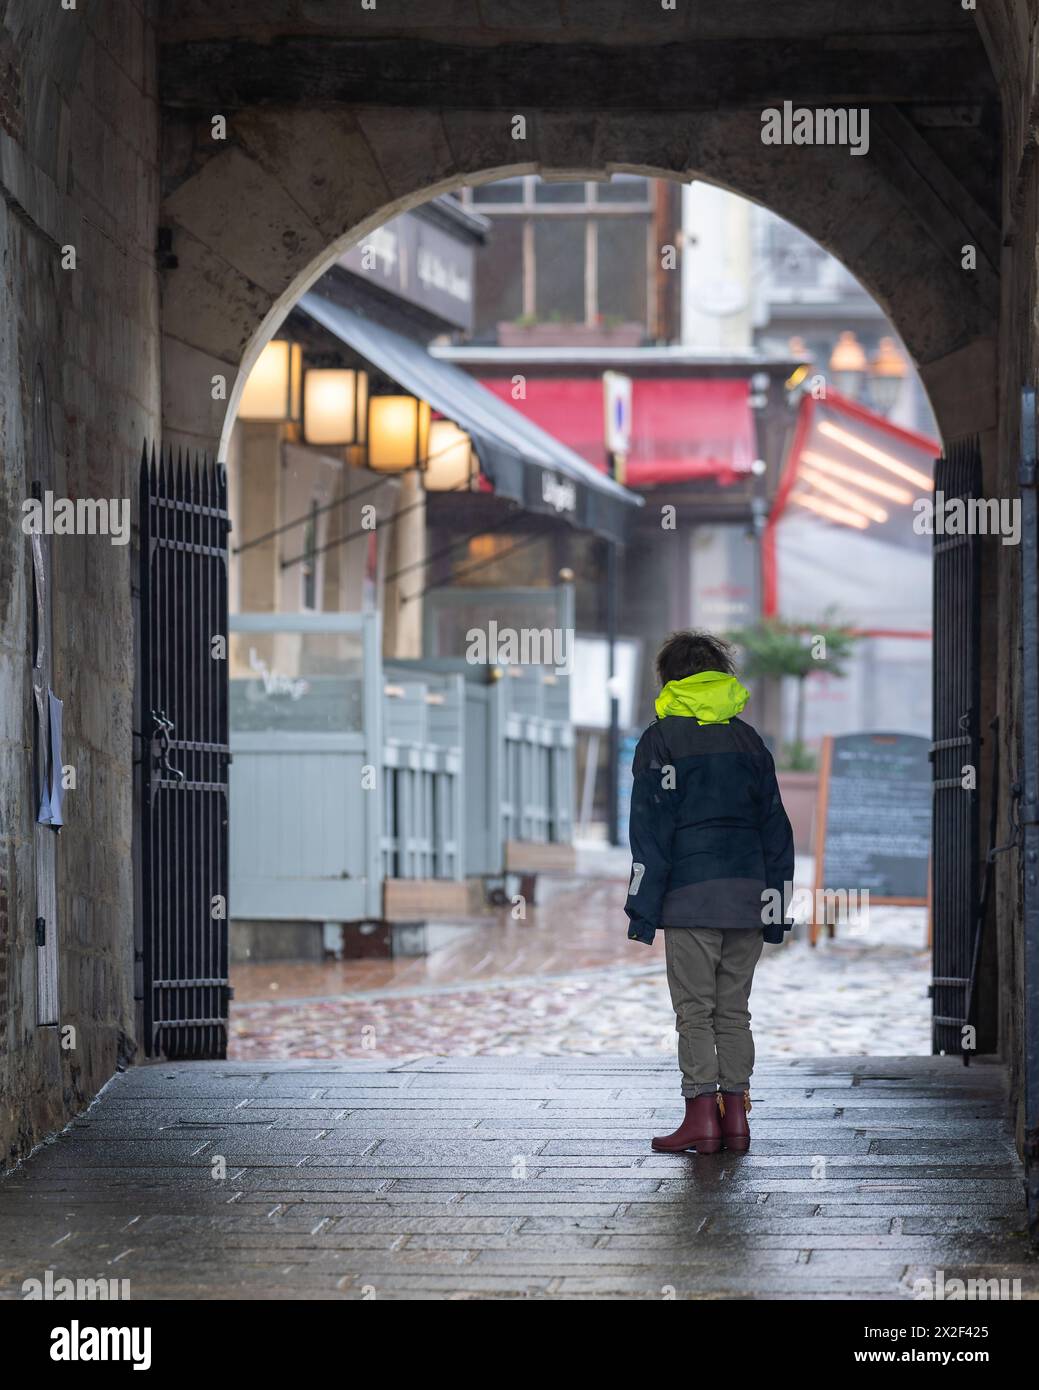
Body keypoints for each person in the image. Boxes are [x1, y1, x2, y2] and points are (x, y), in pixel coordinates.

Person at [625, 630, 794, 1154]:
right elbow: (776, 829)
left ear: (670, 679)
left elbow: (650, 834)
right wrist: (777, 907)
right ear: (720, 675)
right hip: (747, 896)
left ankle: (701, 1120)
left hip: (692, 897)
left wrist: (643, 910)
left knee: (695, 1011)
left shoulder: (661, 741)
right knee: (734, 1010)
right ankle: (736, 1120)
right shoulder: (749, 741)